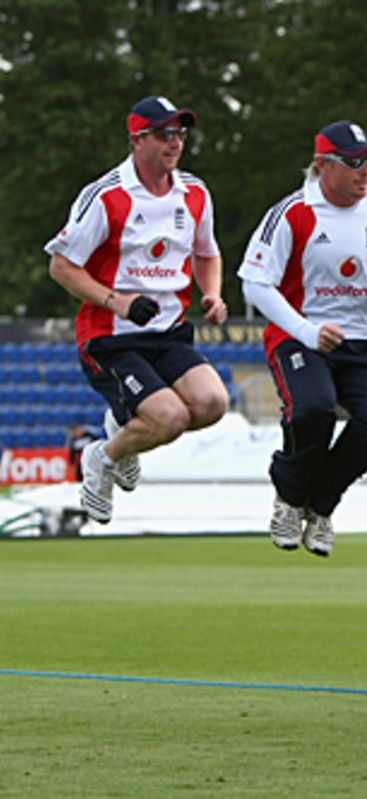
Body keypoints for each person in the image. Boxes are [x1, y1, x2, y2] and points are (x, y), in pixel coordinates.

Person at [45, 95, 229, 525]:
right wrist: (118, 301)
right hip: (110, 337)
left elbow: (207, 253)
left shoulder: (195, 193)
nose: (175, 143)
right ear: (137, 139)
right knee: (170, 418)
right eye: (165, 134)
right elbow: (61, 265)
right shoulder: (107, 196)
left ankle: (122, 428)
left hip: (167, 333)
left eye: (180, 134)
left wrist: (213, 293)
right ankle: (101, 458)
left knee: (212, 404)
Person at [239, 120, 367, 557]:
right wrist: (306, 331)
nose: (365, 171)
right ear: (322, 166)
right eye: (352, 162)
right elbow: (255, 283)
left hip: (365, 337)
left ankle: (320, 502)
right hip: (301, 334)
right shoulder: (293, 212)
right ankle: (290, 496)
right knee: (313, 410)